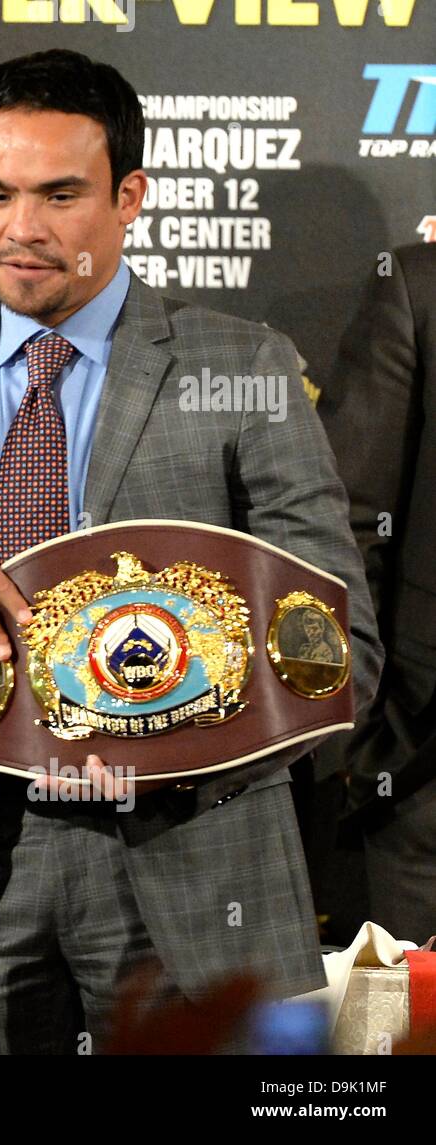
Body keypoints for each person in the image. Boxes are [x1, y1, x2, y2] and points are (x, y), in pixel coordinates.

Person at [0, 49, 382, 1054]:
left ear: (129, 197)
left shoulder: (238, 365)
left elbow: (340, 654)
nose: (20, 228)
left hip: (191, 866)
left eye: (59, 194)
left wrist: (160, 717)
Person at [320, 242, 436, 944]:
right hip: (423, 779)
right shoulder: (417, 289)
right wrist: (372, 743)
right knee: (407, 1034)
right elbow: (346, 528)